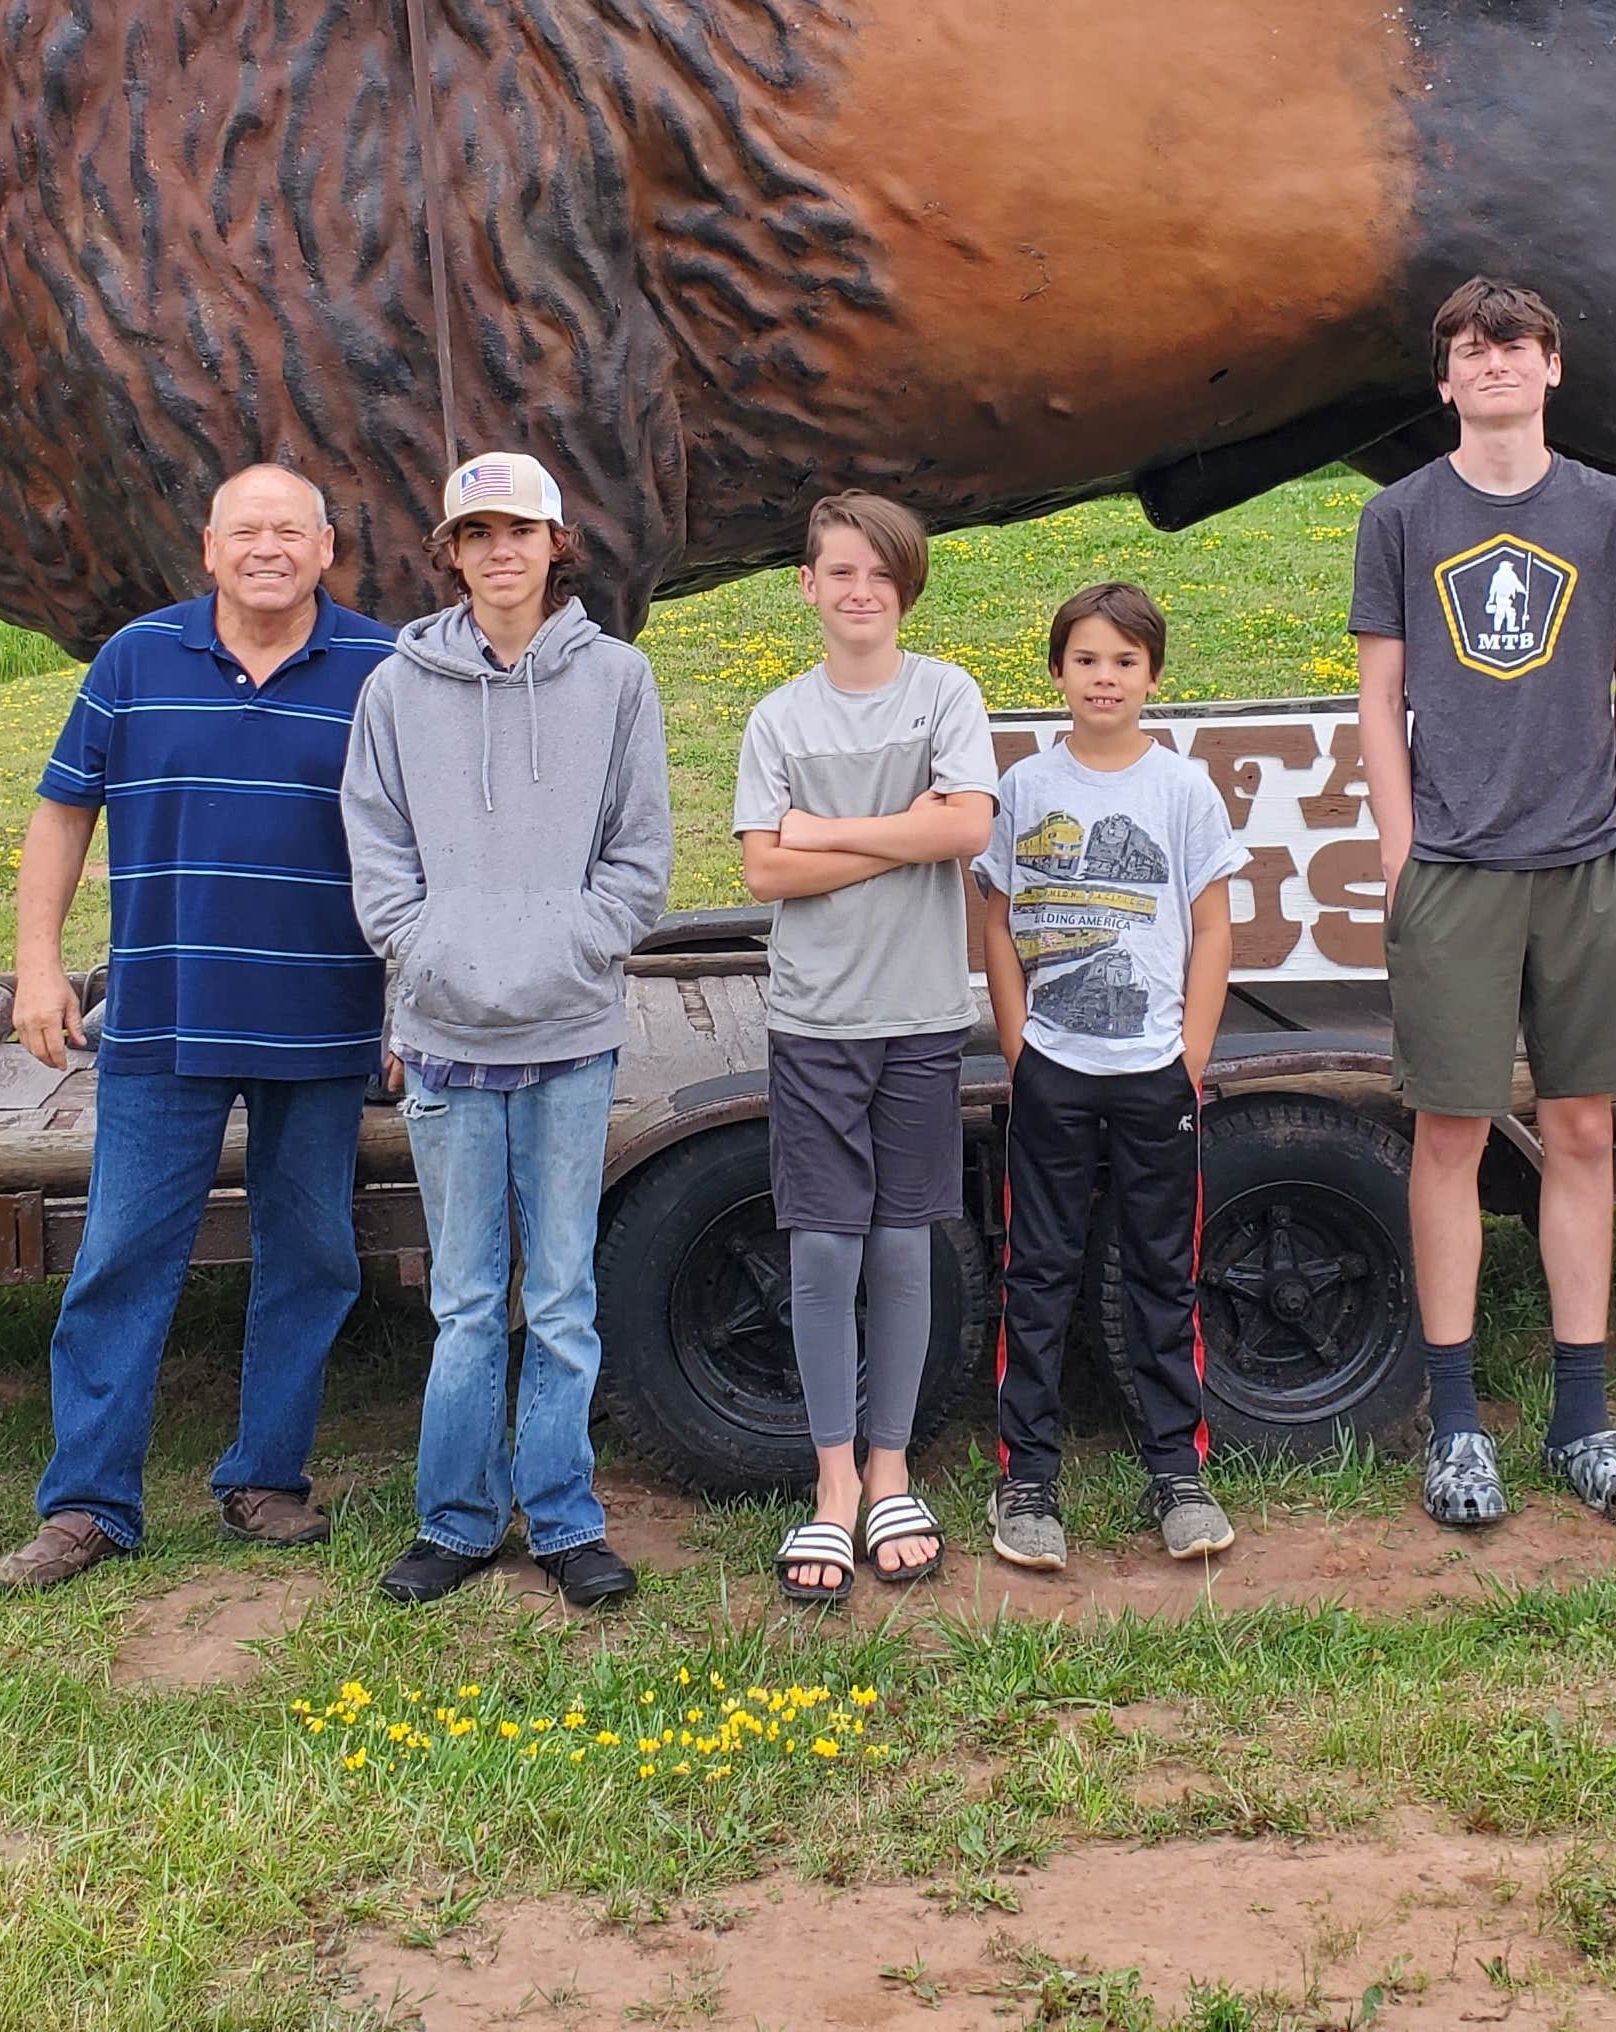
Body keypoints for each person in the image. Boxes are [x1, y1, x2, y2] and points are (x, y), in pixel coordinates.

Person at [0, 465, 394, 1591]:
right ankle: (88, 1507)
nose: (269, 548)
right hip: (163, 1016)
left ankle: (267, 1478)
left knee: (311, 1255)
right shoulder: (136, 659)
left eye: (291, 531)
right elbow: (64, 813)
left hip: (325, 1017)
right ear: (208, 548)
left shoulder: (384, 668)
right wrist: (37, 968)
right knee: (122, 1255)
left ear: (324, 548)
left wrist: (411, 999)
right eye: (245, 531)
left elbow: (426, 843)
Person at [1352, 276, 1616, 1532]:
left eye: (1516, 343)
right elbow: (1378, 700)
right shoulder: (1401, 516)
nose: (1493, 360)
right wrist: (1401, 852)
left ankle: (1582, 1419)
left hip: (1590, 860)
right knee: (1451, 1133)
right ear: (1444, 380)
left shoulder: (1615, 513)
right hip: (1454, 866)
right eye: (1470, 346)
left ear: (1554, 368)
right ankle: (1455, 1427)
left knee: (1589, 1132)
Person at [340, 450, 674, 1609]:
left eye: (517, 532)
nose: (499, 553)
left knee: (564, 1294)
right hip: (442, 1041)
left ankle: (567, 1521)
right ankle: (459, 1520)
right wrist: (428, 949)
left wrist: (573, 944)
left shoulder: (616, 680)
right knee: (471, 1298)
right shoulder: (397, 689)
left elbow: (639, 859)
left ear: (553, 543)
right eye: (476, 536)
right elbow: (376, 851)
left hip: (572, 1038)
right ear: (451, 553)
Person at [733, 491, 996, 1600]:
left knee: (901, 1245)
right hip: (817, 1021)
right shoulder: (778, 719)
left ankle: (893, 1470)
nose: (859, 592)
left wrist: (826, 830)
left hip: (924, 1013)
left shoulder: (946, 693)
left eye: (879, 575)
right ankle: (833, 1481)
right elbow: (763, 872)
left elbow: (968, 829)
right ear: (807, 585)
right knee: (826, 1249)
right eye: (839, 572)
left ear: (906, 586)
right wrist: (904, 835)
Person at [973, 581, 1244, 1571]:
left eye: (1124, 662)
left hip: (1152, 1075)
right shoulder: (1024, 789)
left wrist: (1192, 1055)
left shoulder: (1182, 790)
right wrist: (1018, 1043)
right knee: (1038, 1276)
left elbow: (1213, 927)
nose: (1103, 677)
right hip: (1054, 1069)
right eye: (1086, 659)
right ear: (1056, 673)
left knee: (1162, 1279)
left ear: (1153, 677)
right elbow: (997, 920)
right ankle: (1028, 1483)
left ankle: (1178, 1472)